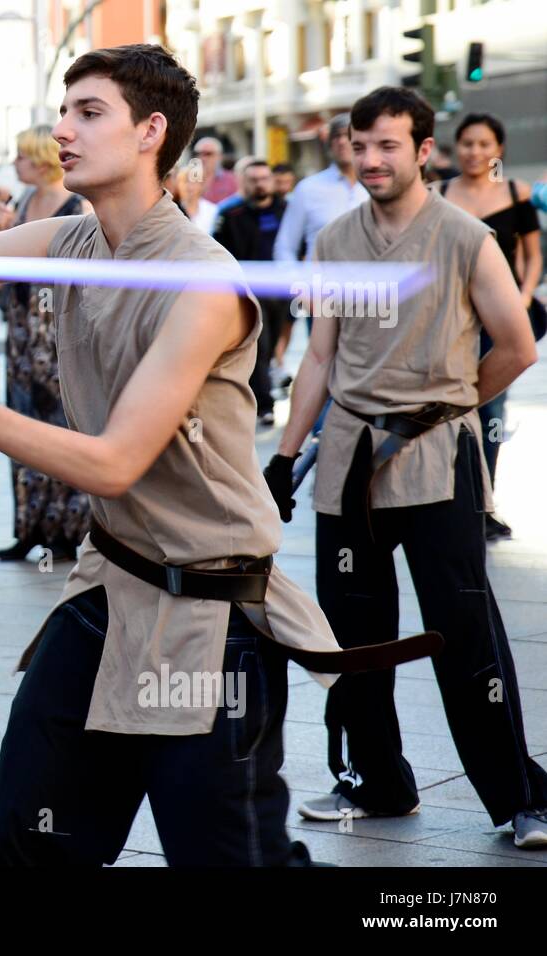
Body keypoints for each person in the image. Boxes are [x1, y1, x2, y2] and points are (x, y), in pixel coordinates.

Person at [0, 44, 345, 866]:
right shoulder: (76, 239)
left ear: (152, 132)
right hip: (106, 587)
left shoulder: (201, 282)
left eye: (88, 113)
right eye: (63, 111)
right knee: (29, 834)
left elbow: (114, 463)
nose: (62, 130)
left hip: (208, 617)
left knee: (226, 859)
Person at [265, 87, 547, 850]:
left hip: (436, 464)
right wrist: (284, 456)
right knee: (351, 636)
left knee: (464, 634)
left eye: (388, 145)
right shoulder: (334, 242)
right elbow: (318, 357)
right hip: (349, 460)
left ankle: (521, 797)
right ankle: (379, 781)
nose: (371, 159)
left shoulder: (463, 236)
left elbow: (517, 345)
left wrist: (449, 406)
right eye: (361, 145)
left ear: (425, 151)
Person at [438, 112, 542, 540]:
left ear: (498, 149)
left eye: (484, 144)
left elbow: (534, 255)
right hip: (451, 318)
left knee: (491, 410)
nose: (475, 152)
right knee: (449, 407)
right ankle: (448, 500)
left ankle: (484, 504)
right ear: (455, 148)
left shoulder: (517, 195)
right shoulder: (438, 194)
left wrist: (522, 296)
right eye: (467, 143)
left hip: (500, 320)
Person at [0, 125, 90, 563]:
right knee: (22, 425)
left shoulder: (78, 206)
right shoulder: (22, 203)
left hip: (57, 332)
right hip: (19, 332)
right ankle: (28, 527)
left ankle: (65, 530)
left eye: (21, 156)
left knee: (61, 427)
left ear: (40, 158)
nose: (16, 164)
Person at [272, 113, 369, 380]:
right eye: (335, 136)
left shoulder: (378, 186)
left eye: (347, 135)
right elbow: (285, 246)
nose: (342, 141)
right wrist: (300, 287)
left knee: (365, 372)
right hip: (322, 296)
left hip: (373, 295)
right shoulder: (309, 189)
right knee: (323, 370)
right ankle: (322, 424)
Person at [214, 159, 288, 427]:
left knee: (271, 348)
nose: (260, 184)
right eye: (254, 179)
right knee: (260, 346)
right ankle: (264, 404)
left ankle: (260, 390)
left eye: (264, 178)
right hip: (248, 293)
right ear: (243, 181)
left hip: (281, 291)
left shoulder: (286, 209)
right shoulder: (230, 213)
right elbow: (217, 252)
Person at [172, 164, 218, 235]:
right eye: (185, 181)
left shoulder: (212, 210)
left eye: (194, 181)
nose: (189, 186)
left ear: (202, 184)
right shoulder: (172, 210)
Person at [192, 136, 237, 203]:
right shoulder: (187, 179)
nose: (203, 158)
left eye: (208, 154)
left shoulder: (232, 179)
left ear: (219, 156)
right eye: (199, 153)